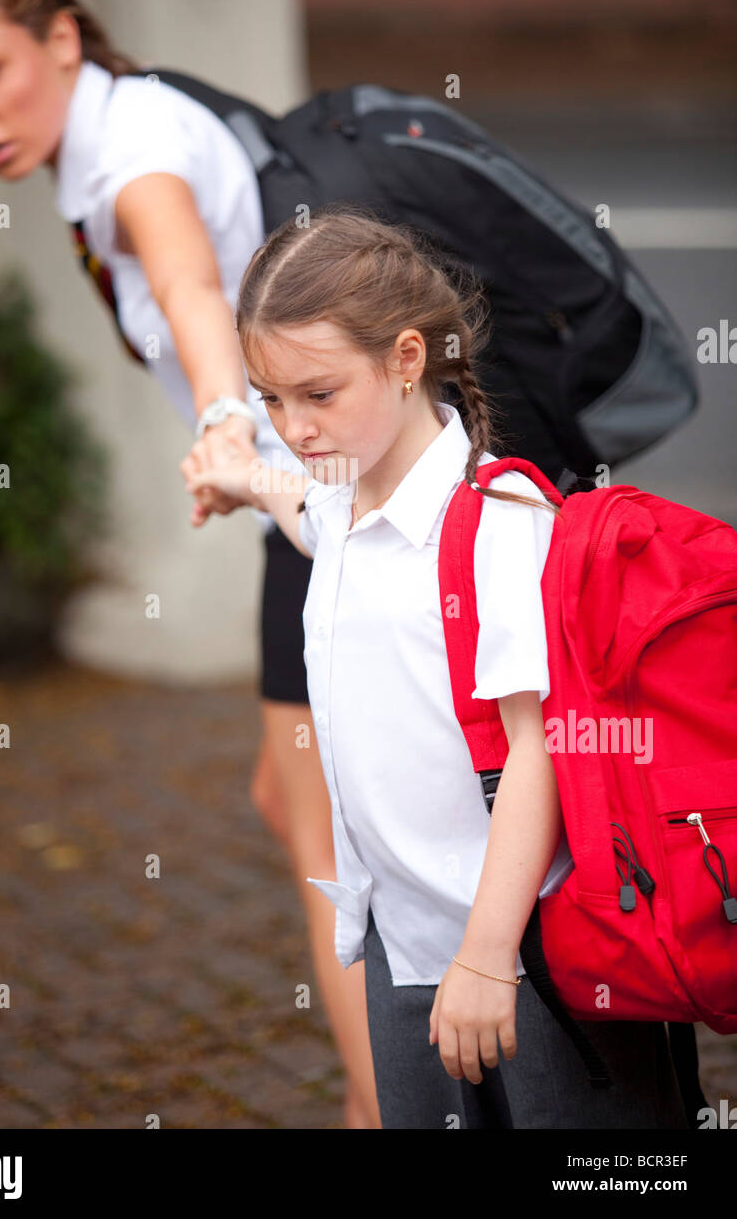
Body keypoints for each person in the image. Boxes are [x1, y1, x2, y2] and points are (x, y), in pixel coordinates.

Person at [0, 0, 379, 1127]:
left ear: (59, 37)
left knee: (326, 833)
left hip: (318, 497)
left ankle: (384, 1109)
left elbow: (193, 282)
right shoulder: (118, 131)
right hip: (304, 495)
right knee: (293, 792)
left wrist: (223, 425)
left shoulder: (133, 155)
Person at [181, 206, 691, 1129]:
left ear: (408, 358)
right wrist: (237, 479)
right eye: (271, 400)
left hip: (529, 962)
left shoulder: (500, 525)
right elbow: (301, 507)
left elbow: (540, 750)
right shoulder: (340, 502)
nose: (294, 428)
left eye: (319, 394)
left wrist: (489, 957)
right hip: (401, 951)